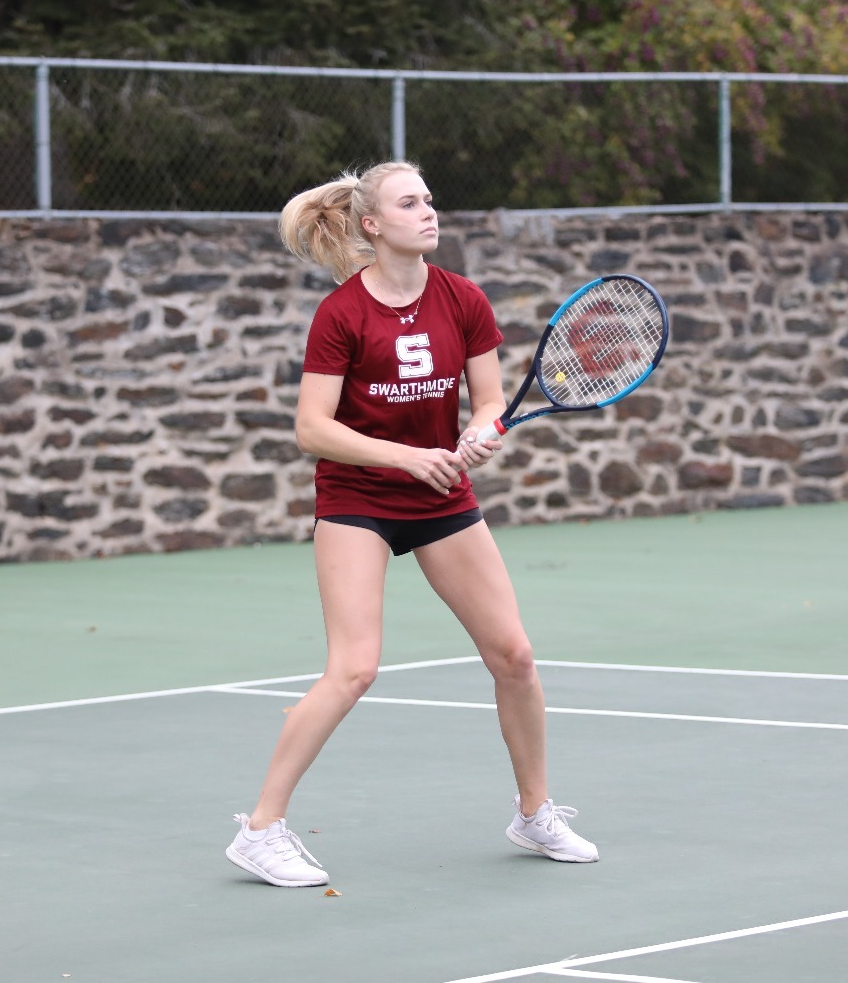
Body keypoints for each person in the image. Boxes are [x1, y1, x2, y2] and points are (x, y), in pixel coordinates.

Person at [225, 161, 598, 887]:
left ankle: (534, 812)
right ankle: (261, 829)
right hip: (358, 500)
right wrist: (404, 458)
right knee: (354, 668)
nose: (428, 211)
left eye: (429, 199)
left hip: (441, 497)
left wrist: (485, 432)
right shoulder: (341, 314)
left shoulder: (462, 299)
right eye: (409, 202)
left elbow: (488, 401)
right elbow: (312, 428)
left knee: (514, 656)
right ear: (372, 225)